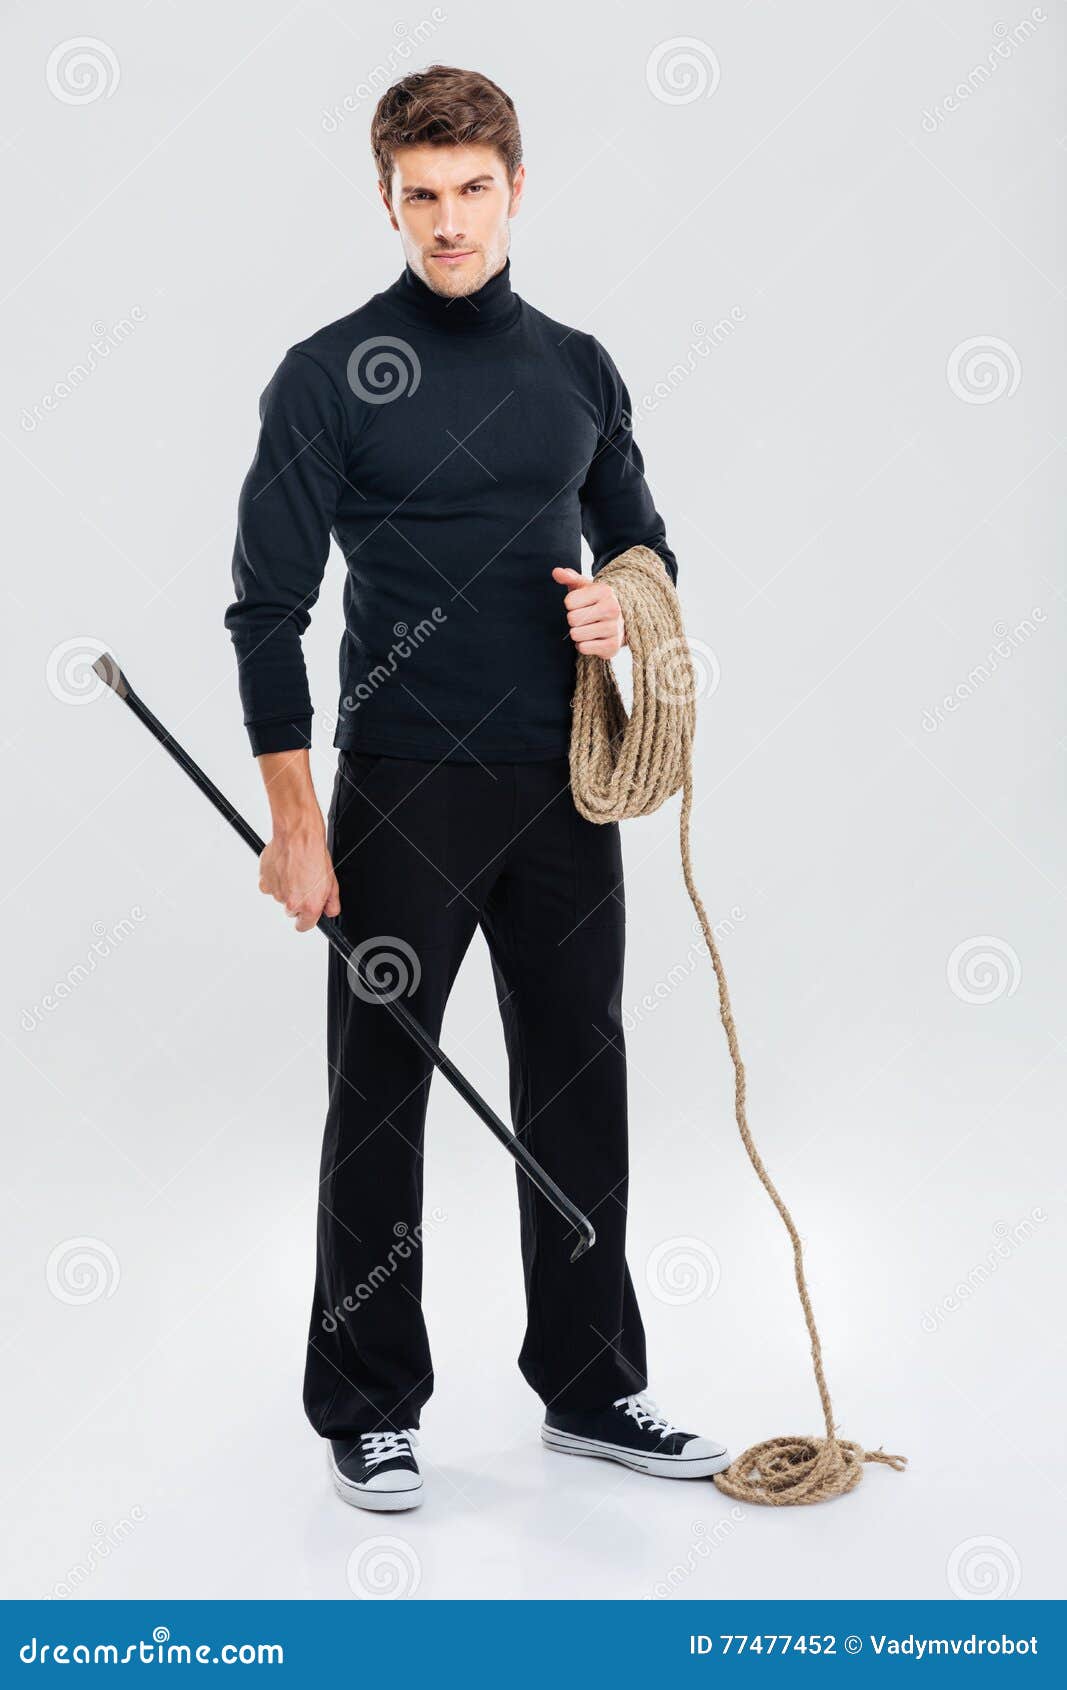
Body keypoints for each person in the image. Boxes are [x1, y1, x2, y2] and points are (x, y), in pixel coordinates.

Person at [224, 63, 729, 1512]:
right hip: (403, 794)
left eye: (475, 190)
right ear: (386, 198)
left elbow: (645, 545)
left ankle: (593, 1384)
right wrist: (297, 822)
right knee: (380, 1095)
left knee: (582, 1076)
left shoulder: (577, 364)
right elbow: (267, 607)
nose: (450, 221)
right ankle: (370, 1403)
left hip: (566, 790)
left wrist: (621, 611)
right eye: (422, 195)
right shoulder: (329, 372)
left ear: (518, 188)